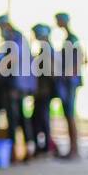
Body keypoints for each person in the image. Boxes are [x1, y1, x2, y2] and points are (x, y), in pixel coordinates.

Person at [0, 15, 36, 161]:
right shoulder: (19, 39)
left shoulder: (14, 40)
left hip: (15, 84)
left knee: (13, 118)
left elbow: (11, 61)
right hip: (22, 84)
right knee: (22, 118)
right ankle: (28, 149)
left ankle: (13, 153)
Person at [52, 12, 83, 159]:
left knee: (70, 115)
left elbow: (77, 59)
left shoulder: (72, 39)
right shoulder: (69, 39)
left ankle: (74, 151)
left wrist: (68, 74)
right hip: (68, 81)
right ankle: (73, 150)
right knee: (68, 115)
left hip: (70, 82)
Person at [30, 23, 57, 156]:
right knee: (37, 119)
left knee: (42, 118)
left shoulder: (47, 50)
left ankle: (46, 148)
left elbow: (51, 72)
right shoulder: (44, 49)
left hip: (44, 91)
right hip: (41, 91)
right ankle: (42, 147)